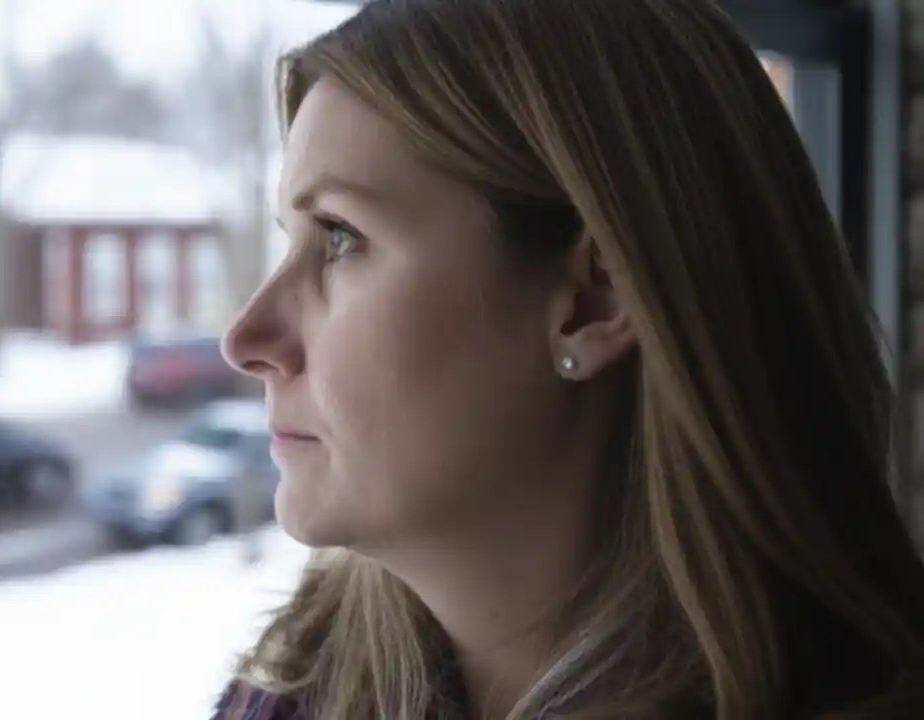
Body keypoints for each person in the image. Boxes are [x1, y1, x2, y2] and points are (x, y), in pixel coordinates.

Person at [214, 0, 924, 718]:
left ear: (595, 300)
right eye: (292, 240)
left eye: (340, 237)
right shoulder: (280, 697)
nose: (245, 339)